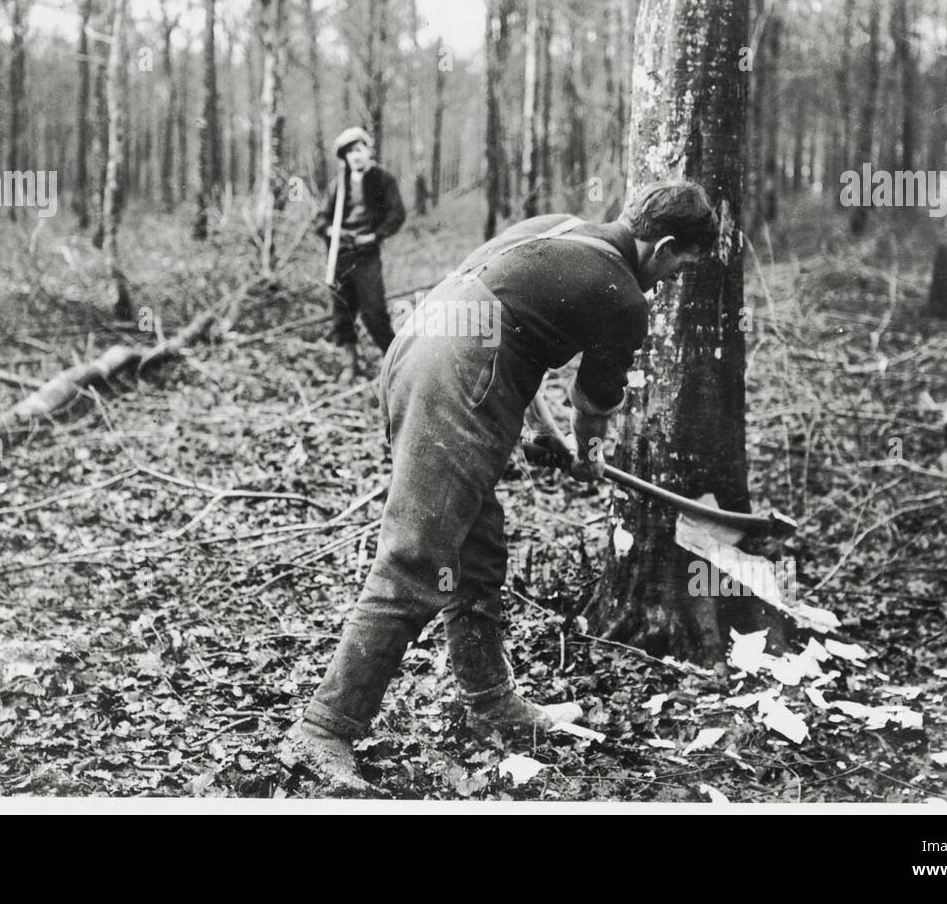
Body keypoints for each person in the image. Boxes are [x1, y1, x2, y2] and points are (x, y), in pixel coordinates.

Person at [280, 179, 720, 794]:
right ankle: (323, 729)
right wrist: (588, 454)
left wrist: (542, 433)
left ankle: (489, 701)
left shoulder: (559, 228)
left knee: (477, 547)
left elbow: (504, 323)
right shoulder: (623, 296)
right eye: (676, 269)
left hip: (419, 353)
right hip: (456, 381)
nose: (669, 282)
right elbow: (592, 401)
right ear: (664, 244)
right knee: (417, 559)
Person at [314, 128, 406, 383]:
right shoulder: (338, 185)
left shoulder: (383, 179)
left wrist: (375, 236)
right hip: (340, 254)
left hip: (366, 254)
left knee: (374, 311)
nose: (355, 156)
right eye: (349, 153)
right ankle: (350, 364)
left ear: (368, 150)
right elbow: (321, 218)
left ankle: (396, 364)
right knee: (341, 312)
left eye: (358, 150)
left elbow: (396, 214)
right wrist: (331, 230)